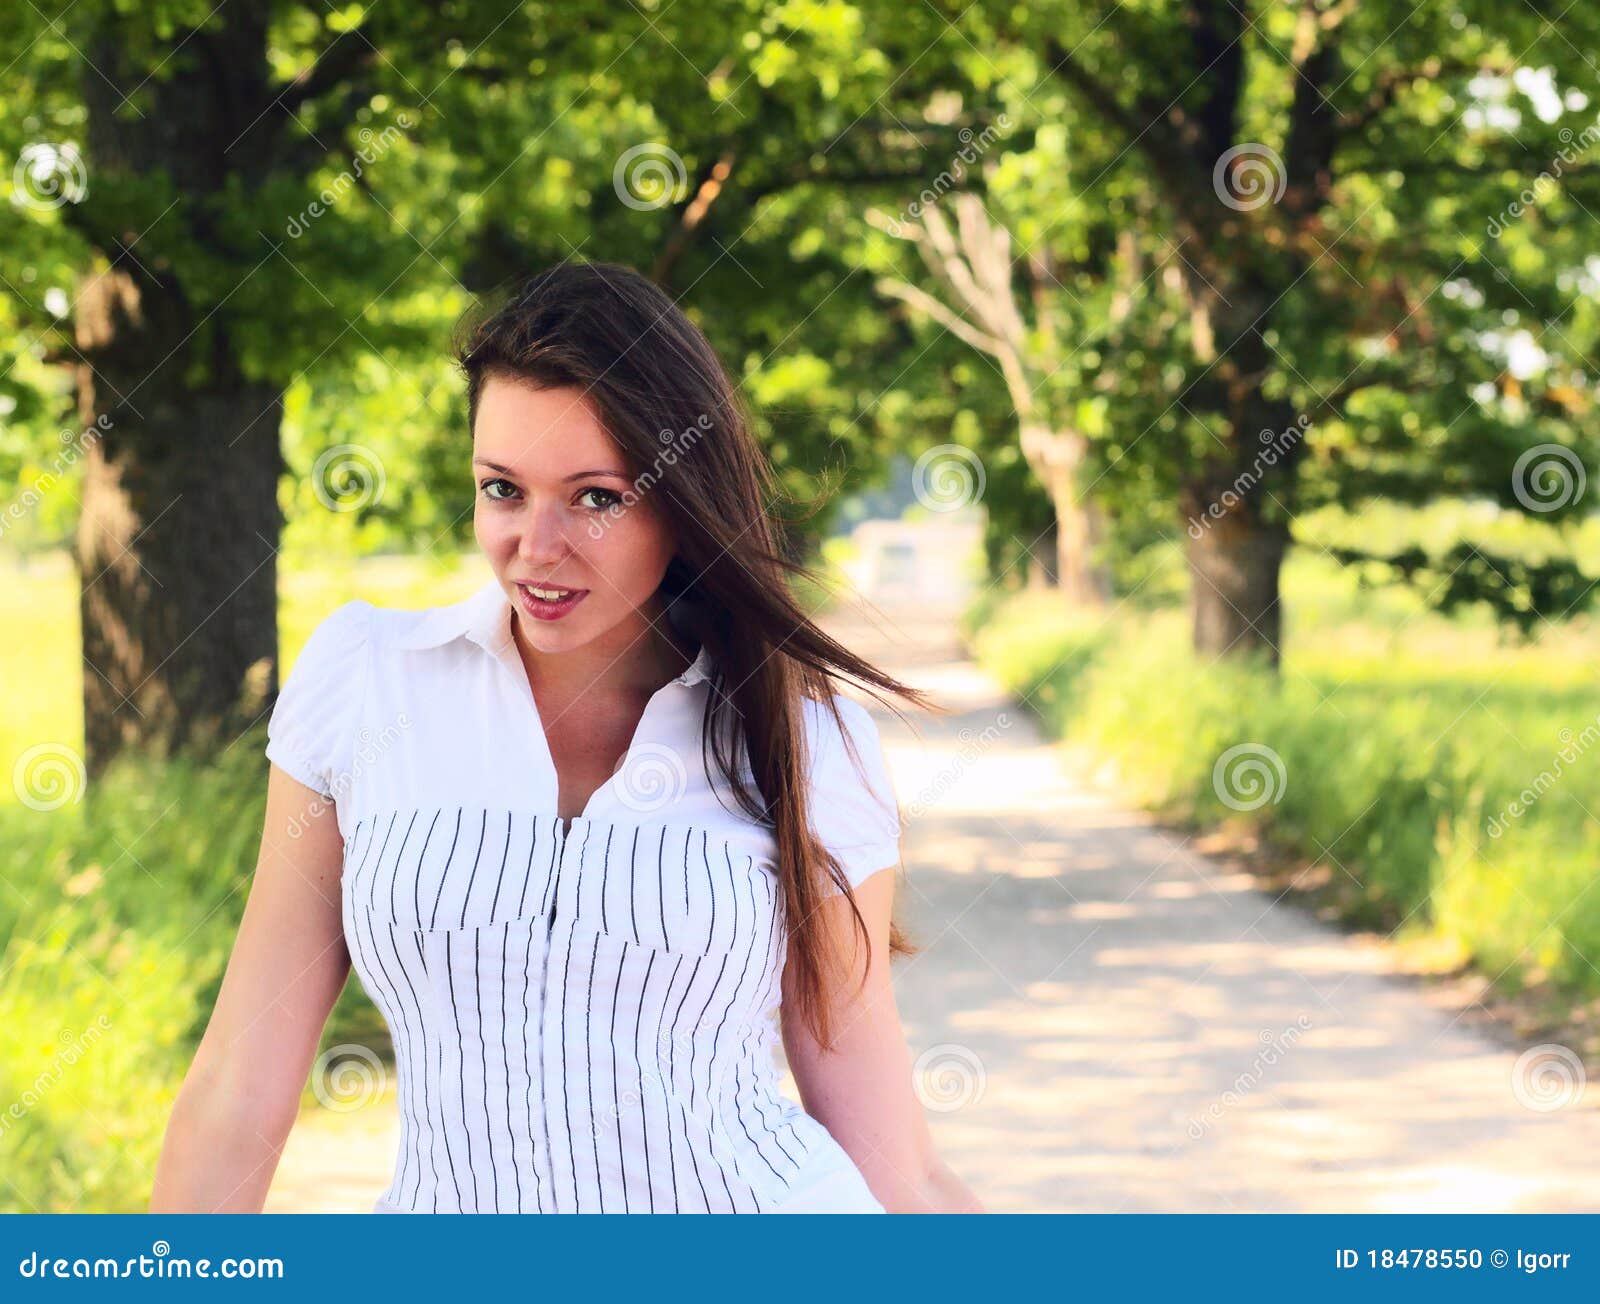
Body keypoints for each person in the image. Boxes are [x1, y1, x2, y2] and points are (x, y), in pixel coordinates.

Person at [151, 260, 985, 1215]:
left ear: (684, 499)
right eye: (503, 489)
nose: (537, 547)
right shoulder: (365, 680)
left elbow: (892, 1155)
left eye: (597, 497)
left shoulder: (801, 731)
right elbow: (238, 1085)